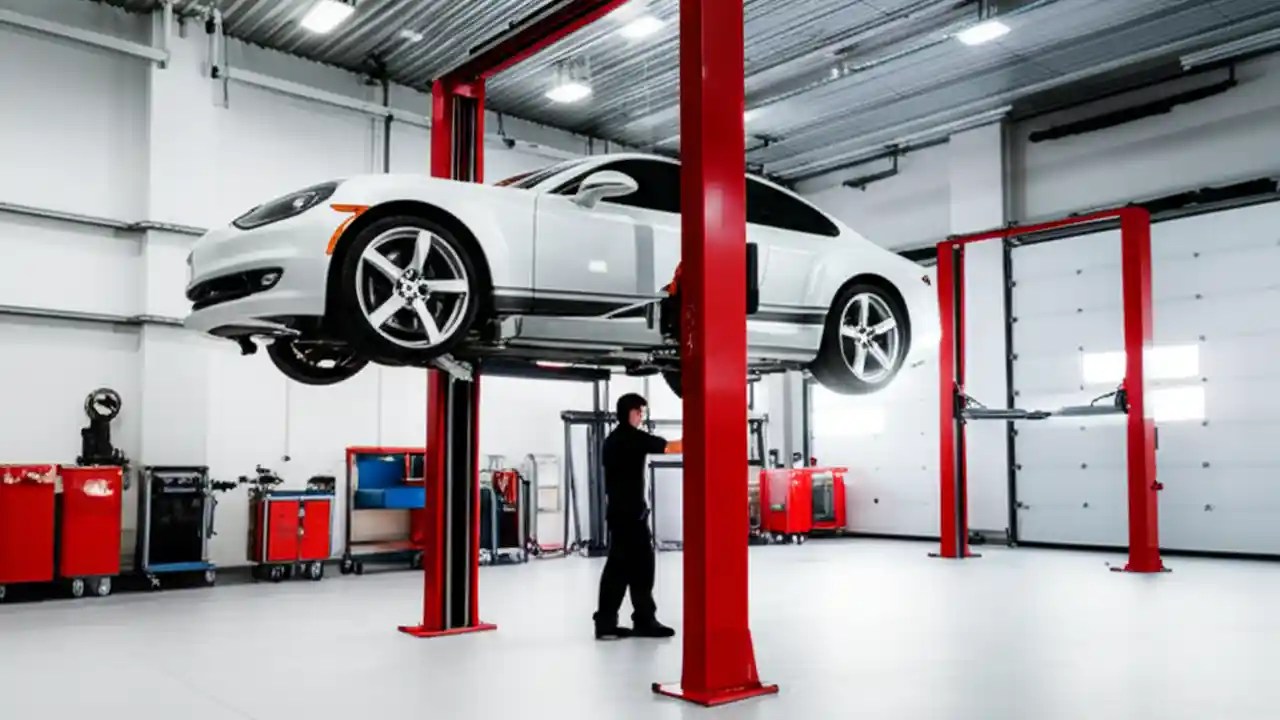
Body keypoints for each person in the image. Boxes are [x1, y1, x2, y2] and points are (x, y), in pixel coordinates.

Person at [593, 393, 681, 640]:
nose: (641, 417)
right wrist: (698, 435)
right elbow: (667, 447)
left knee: (618, 569)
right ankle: (643, 620)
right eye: (640, 412)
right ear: (631, 412)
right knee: (640, 568)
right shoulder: (631, 438)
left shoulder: (611, 440)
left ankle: (607, 622)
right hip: (631, 517)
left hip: (620, 515)